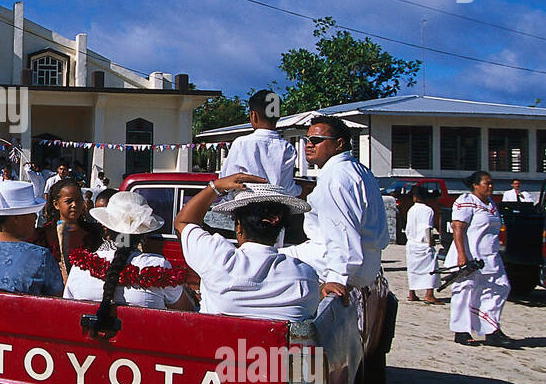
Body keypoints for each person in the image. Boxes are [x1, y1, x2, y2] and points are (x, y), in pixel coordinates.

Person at [174, 173, 320, 320]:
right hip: (274, 344)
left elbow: (183, 222)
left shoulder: (217, 259)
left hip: (218, 342)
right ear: (280, 228)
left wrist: (215, 187)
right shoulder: (306, 276)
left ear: (238, 226)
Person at [286, 116, 390, 303]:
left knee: (262, 261)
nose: (309, 145)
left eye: (316, 141)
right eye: (307, 140)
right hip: (366, 263)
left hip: (340, 265)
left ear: (339, 144)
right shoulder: (359, 170)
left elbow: (342, 232)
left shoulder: (336, 178)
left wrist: (336, 278)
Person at [64, 190, 194, 310]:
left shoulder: (80, 267)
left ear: (106, 228)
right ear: (143, 234)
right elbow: (187, 311)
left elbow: (67, 309)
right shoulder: (158, 267)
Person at [446, 170, 513, 346]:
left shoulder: (491, 203)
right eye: (486, 183)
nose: (490, 186)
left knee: (500, 288)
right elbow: (458, 228)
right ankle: (461, 331)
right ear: (475, 185)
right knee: (466, 291)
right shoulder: (466, 201)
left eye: (492, 183)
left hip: (490, 256)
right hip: (470, 256)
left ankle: (490, 329)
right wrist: (462, 254)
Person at [218, 89, 301, 196]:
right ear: (278, 116)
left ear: (254, 115)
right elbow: (287, 188)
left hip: (243, 205)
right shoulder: (287, 147)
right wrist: (302, 189)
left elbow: (227, 181)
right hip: (276, 206)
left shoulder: (241, 143)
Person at [39, 179, 104, 281]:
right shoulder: (44, 234)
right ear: (56, 204)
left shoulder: (94, 231)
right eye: (69, 201)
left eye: (78, 200)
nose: (74, 205)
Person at [404, 188, 440, 304]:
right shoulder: (428, 210)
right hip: (423, 243)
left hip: (411, 242)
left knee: (412, 269)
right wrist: (430, 241)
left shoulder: (411, 210)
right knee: (431, 269)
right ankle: (429, 294)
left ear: (415, 198)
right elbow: (427, 228)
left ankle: (412, 293)